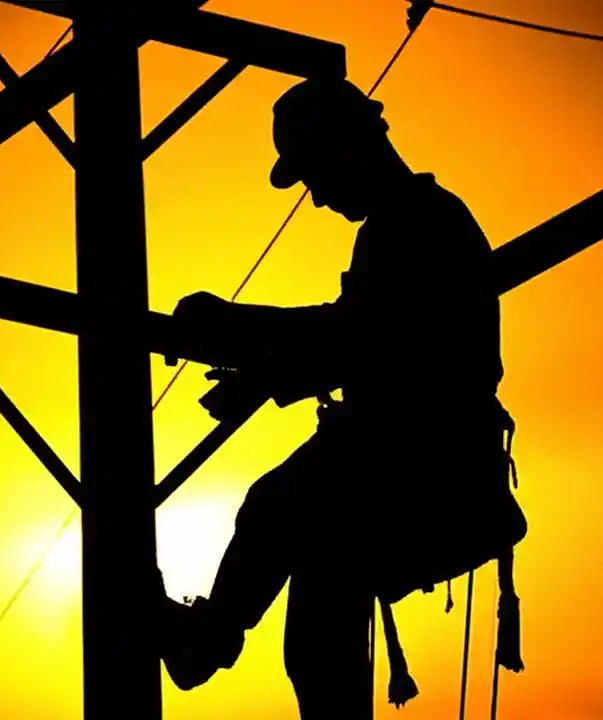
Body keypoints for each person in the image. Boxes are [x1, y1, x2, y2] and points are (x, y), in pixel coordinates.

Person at [158, 76, 526, 718]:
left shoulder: (416, 224)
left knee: (279, 513)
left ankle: (206, 642)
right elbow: (361, 338)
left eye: (315, 175)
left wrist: (241, 334)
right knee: (315, 624)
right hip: (403, 465)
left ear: (347, 149)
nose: (319, 197)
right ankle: (207, 641)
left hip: (422, 465)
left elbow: (360, 338)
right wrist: (263, 368)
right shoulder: (406, 223)